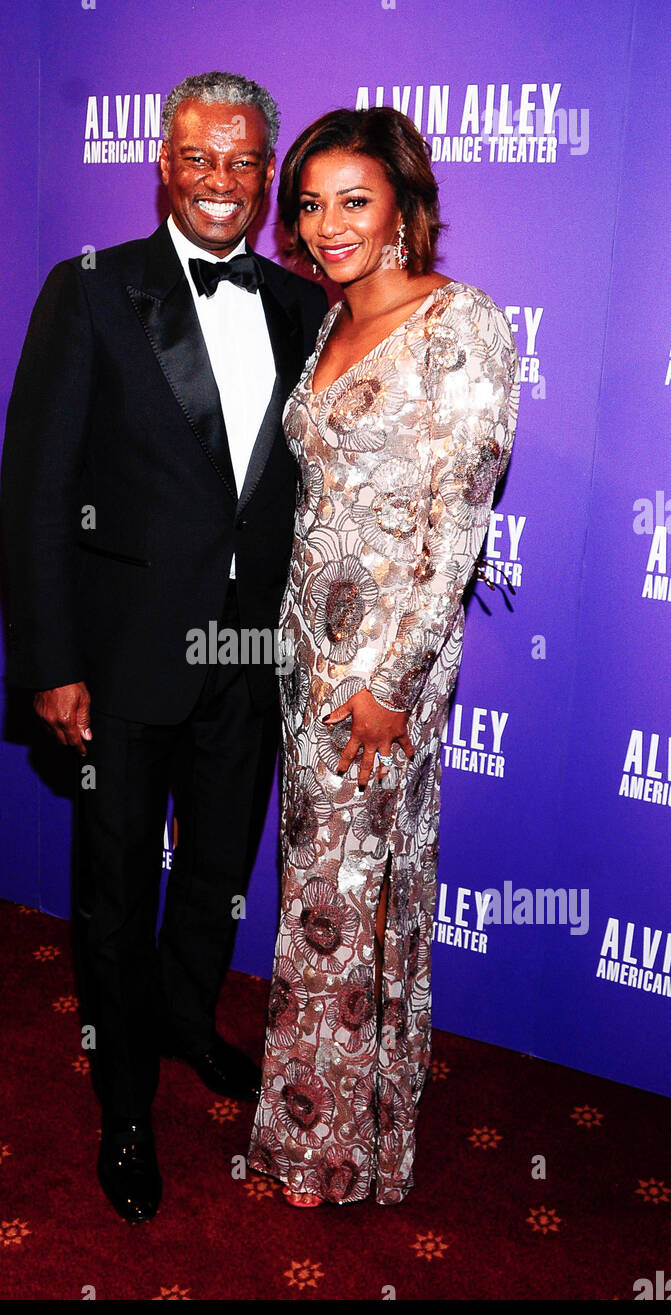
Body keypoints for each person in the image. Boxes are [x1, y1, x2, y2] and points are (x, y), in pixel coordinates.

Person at [0, 72, 327, 1224]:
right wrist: (46, 658)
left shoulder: (301, 307)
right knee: (113, 886)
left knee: (218, 870)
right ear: (162, 161)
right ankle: (123, 1101)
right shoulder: (89, 292)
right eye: (199, 158)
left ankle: (189, 1022)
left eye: (244, 162)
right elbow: (36, 489)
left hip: (247, 657)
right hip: (122, 660)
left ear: (268, 170)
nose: (222, 182)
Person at [247, 106, 520, 1207]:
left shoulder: (461, 323)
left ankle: (325, 1150)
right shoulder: (332, 323)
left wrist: (388, 686)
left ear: (405, 206)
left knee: (342, 897)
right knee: (330, 894)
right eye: (309, 204)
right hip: (302, 648)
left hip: (377, 675)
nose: (327, 223)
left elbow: (454, 523)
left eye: (353, 199)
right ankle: (351, 1123)